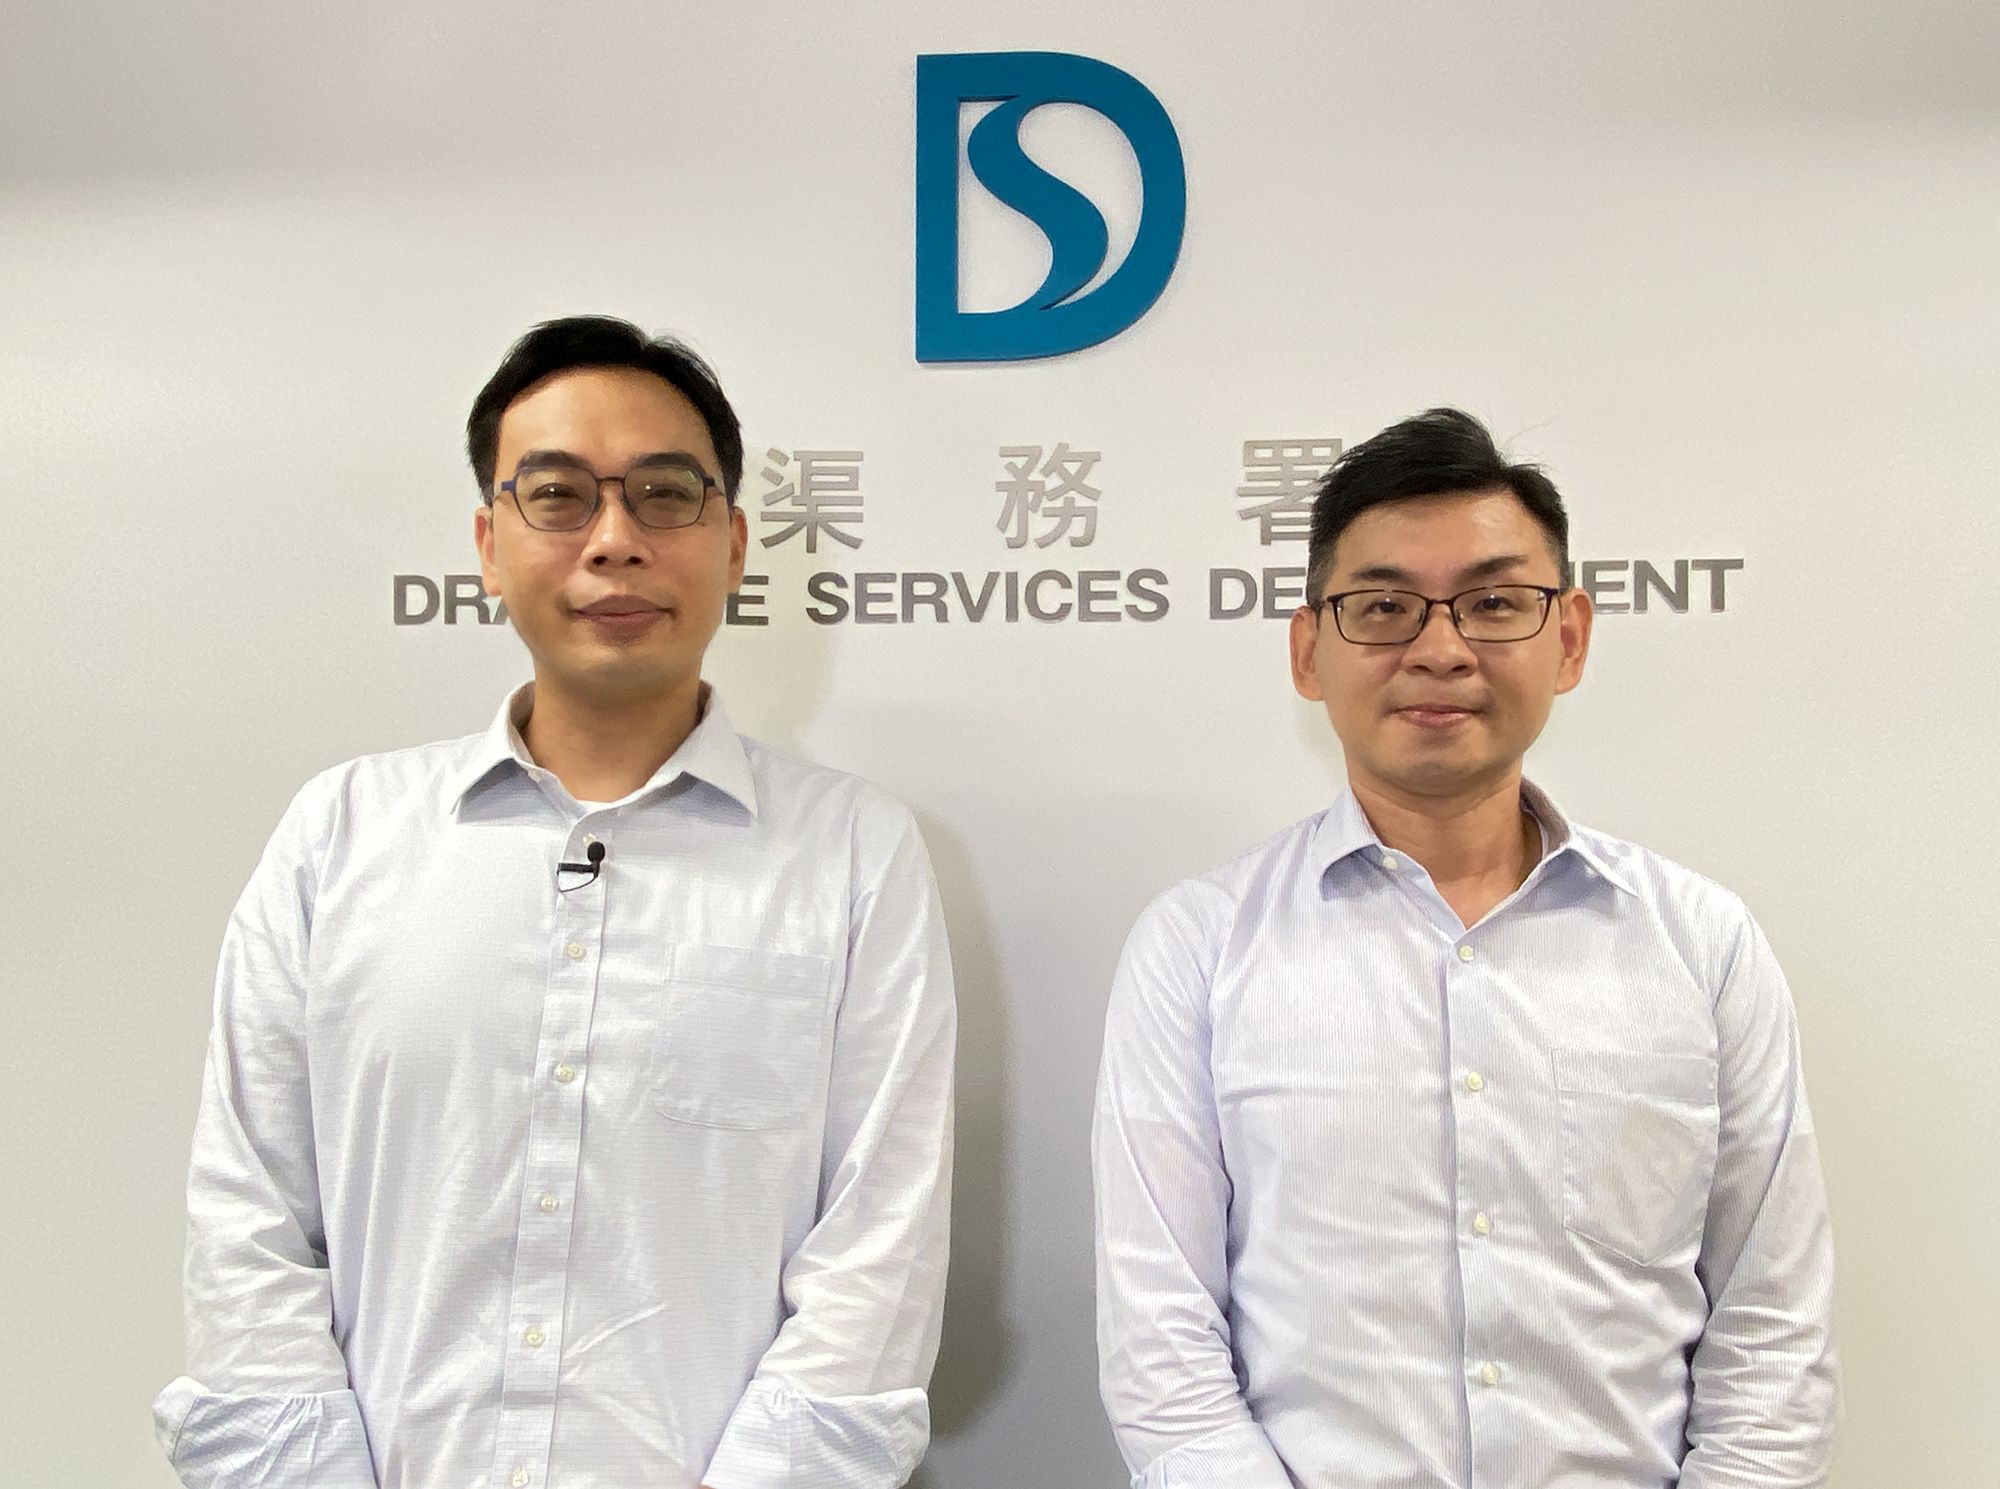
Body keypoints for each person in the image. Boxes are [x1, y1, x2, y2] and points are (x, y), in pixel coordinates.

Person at [154, 315, 956, 1489]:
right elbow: (250, 1220)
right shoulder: (340, 833)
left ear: (734, 543)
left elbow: (875, 1261)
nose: (615, 541)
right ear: (489, 544)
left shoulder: (850, 853)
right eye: (559, 496)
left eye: (665, 495)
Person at [1092, 408, 1837, 1487]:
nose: (1439, 649)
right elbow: (1162, 1346)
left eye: (1493, 604)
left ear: (1568, 638)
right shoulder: (1198, 946)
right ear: (1307, 651)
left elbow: (1771, 1332)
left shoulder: (1700, 941)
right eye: (1382, 607)